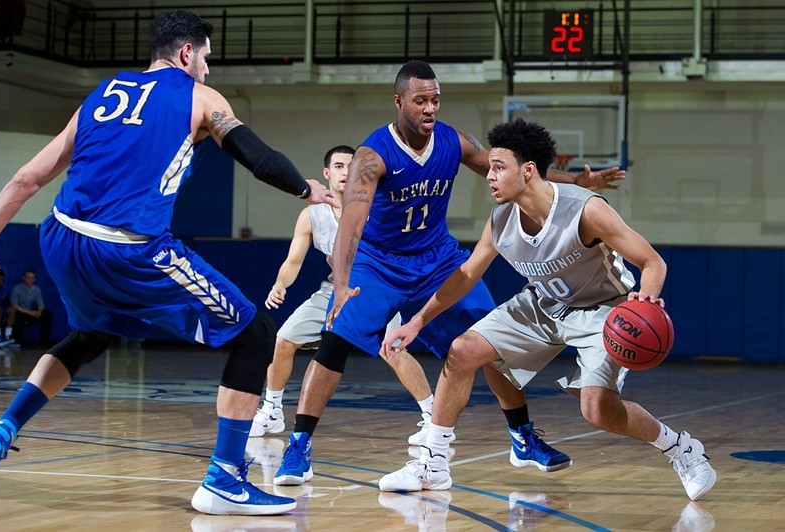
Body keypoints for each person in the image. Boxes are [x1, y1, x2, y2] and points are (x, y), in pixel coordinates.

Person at [0, 9, 339, 517]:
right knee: (255, 333)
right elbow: (257, 157)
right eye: (207, 59)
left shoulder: (102, 94)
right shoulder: (198, 97)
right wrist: (309, 190)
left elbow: (25, 179)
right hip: (127, 247)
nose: (210, 71)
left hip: (59, 235)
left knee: (90, 334)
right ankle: (224, 478)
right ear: (186, 53)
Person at [273, 60, 626, 486]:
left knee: (488, 341)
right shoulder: (372, 155)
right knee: (333, 343)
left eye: (435, 100)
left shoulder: (451, 142)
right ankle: (299, 444)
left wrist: (576, 180)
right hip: (379, 262)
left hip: (436, 258)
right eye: (420, 100)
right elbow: (351, 218)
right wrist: (343, 282)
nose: (429, 108)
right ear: (399, 101)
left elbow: (516, 170)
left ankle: (523, 437)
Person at [378, 118, 717, 501]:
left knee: (598, 410)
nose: (488, 176)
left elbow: (653, 262)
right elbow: (466, 275)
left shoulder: (586, 210)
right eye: (489, 166)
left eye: (498, 167)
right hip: (543, 303)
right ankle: (433, 464)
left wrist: (647, 298)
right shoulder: (500, 221)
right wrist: (418, 320)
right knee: (464, 351)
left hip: (603, 310)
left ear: (527, 171)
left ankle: (680, 449)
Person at [252, 145, 440, 445]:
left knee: (392, 349)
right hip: (333, 289)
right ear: (326, 174)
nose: (344, 173)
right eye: (338, 166)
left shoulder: (378, 209)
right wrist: (280, 285)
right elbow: (293, 262)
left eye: (350, 167)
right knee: (283, 340)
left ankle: (433, 418)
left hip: (374, 287)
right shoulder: (312, 215)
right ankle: (272, 410)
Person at [9, 269, 53, 345]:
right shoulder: (17, 289)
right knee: (17, 315)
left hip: (32, 311)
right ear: (24, 278)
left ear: (34, 279)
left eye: (32, 278)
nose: (30, 280)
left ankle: (44, 341)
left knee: (48, 314)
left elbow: (40, 304)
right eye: (28, 277)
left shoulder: (37, 289)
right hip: (22, 311)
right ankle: (18, 340)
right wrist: (30, 313)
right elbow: (14, 305)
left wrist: (39, 311)